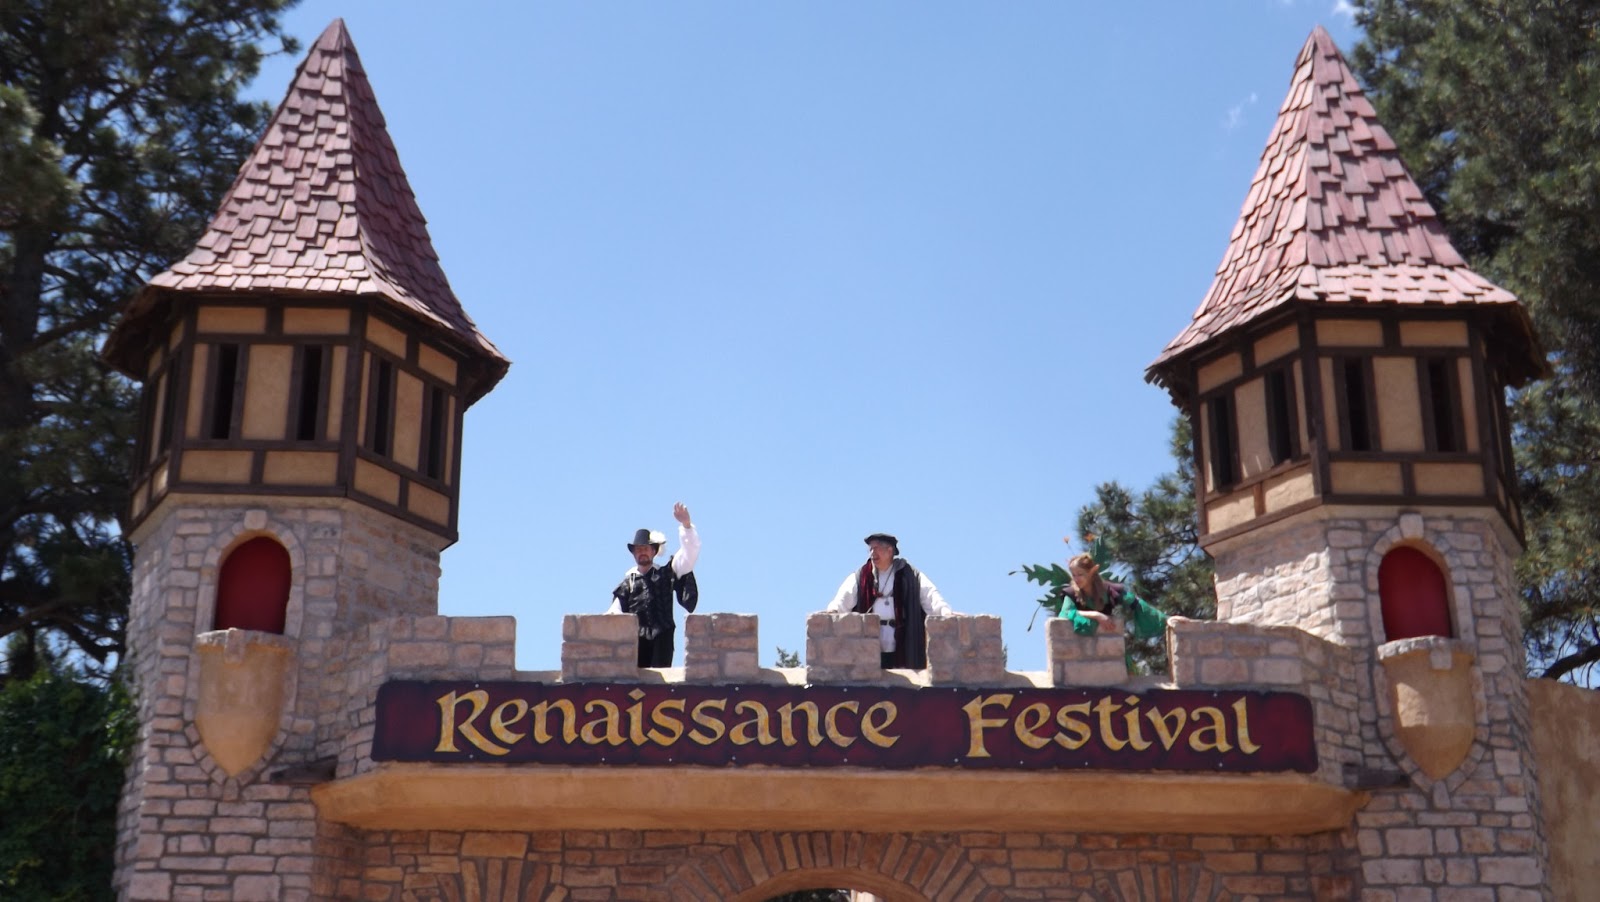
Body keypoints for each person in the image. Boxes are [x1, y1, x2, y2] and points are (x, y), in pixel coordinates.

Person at [826, 533, 953, 669]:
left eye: (877, 548)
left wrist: (945, 612)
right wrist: (833, 610)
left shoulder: (909, 575)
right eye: (871, 549)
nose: (872, 553)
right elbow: (843, 599)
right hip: (871, 645)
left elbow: (931, 596)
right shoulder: (862, 576)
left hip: (902, 643)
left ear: (890, 550)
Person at [606, 502, 699, 667]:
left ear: (653, 551)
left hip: (662, 639)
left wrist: (686, 525)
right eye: (638, 549)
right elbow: (614, 613)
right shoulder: (628, 583)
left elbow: (688, 555)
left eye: (645, 548)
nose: (642, 552)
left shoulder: (667, 573)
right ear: (634, 553)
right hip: (636, 642)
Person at [1056, 546, 1168, 642]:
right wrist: (1096, 615)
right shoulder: (1071, 593)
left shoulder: (1109, 590)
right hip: (1080, 648)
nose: (1076, 579)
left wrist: (1167, 620)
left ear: (1092, 571)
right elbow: (1066, 613)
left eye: (1080, 574)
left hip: (1108, 646)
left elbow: (1136, 603)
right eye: (1073, 575)